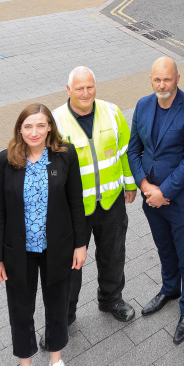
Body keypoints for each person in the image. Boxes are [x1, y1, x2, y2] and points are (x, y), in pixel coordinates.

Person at [0, 104, 87, 366]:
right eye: (28, 126)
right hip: (18, 252)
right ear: (20, 129)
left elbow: (76, 202)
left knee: (57, 304)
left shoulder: (65, 155)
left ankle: (56, 361)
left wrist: (81, 244)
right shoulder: (6, 160)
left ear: (49, 128)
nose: (34, 132)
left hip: (57, 248)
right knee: (20, 309)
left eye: (41, 126)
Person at [48, 67, 137, 337]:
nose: (85, 93)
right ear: (68, 90)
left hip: (111, 201)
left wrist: (130, 183)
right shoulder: (55, 121)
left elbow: (125, 151)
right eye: (79, 88)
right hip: (74, 209)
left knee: (113, 254)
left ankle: (111, 299)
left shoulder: (112, 111)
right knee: (70, 264)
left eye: (90, 87)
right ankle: (64, 316)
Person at [127, 57, 184, 345]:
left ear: (177, 79)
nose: (162, 85)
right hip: (151, 197)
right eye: (157, 79)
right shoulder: (143, 106)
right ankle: (170, 288)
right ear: (151, 79)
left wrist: (165, 193)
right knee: (164, 247)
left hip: (181, 200)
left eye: (168, 79)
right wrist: (144, 185)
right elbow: (133, 150)